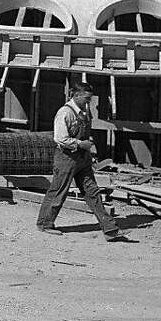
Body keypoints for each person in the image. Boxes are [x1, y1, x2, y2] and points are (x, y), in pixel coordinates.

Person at [37, 84, 129, 241]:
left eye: (90, 98)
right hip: (66, 158)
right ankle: (45, 223)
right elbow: (60, 138)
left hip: (82, 159)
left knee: (92, 192)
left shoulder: (85, 112)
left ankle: (110, 229)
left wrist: (88, 143)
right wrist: (80, 144)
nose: (89, 101)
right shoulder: (64, 113)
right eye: (87, 98)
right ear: (76, 95)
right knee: (59, 191)